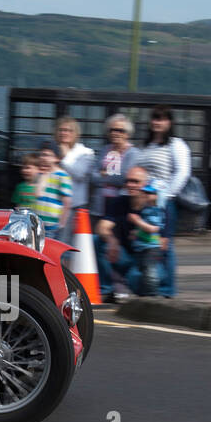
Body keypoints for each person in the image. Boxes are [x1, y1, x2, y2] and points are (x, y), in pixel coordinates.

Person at [139, 105, 192, 297]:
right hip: (145, 204)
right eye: (154, 118)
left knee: (164, 246)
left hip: (164, 204)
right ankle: (150, 286)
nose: (157, 122)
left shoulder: (176, 145)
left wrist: (165, 196)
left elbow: (182, 173)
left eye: (161, 119)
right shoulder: (147, 145)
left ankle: (167, 289)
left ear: (169, 122)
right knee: (147, 244)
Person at [96, 167, 171, 301]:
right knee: (96, 240)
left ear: (146, 184)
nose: (130, 185)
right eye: (128, 181)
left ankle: (164, 291)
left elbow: (163, 244)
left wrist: (140, 228)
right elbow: (102, 227)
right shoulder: (118, 202)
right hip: (124, 255)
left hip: (146, 258)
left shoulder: (157, 208)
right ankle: (107, 290)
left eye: (136, 181)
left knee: (145, 281)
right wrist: (112, 240)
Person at [92, 114, 141, 295]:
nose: (116, 133)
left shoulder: (133, 153)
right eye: (112, 129)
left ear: (128, 133)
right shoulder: (105, 150)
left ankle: (121, 284)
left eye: (120, 130)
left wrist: (106, 176)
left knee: (116, 246)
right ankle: (106, 285)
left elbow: (126, 179)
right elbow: (93, 176)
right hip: (101, 204)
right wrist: (107, 178)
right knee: (101, 243)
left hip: (120, 204)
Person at [13, 143, 72, 240]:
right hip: (37, 223)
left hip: (52, 226)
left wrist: (61, 225)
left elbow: (67, 203)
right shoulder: (40, 175)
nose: (43, 158)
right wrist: (43, 177)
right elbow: (37, 194)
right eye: (42, 155)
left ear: (57, 158)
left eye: (47, 155)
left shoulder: (63, 176)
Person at [53, 116, 95, 244]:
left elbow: (80, 173)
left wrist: (65, 156)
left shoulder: (86, 152)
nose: (64, 133)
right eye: (61, 130)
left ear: (76, 134)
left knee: (66, 246)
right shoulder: (52, 150)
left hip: (74, 207)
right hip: (51, 206)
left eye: (68, 130)